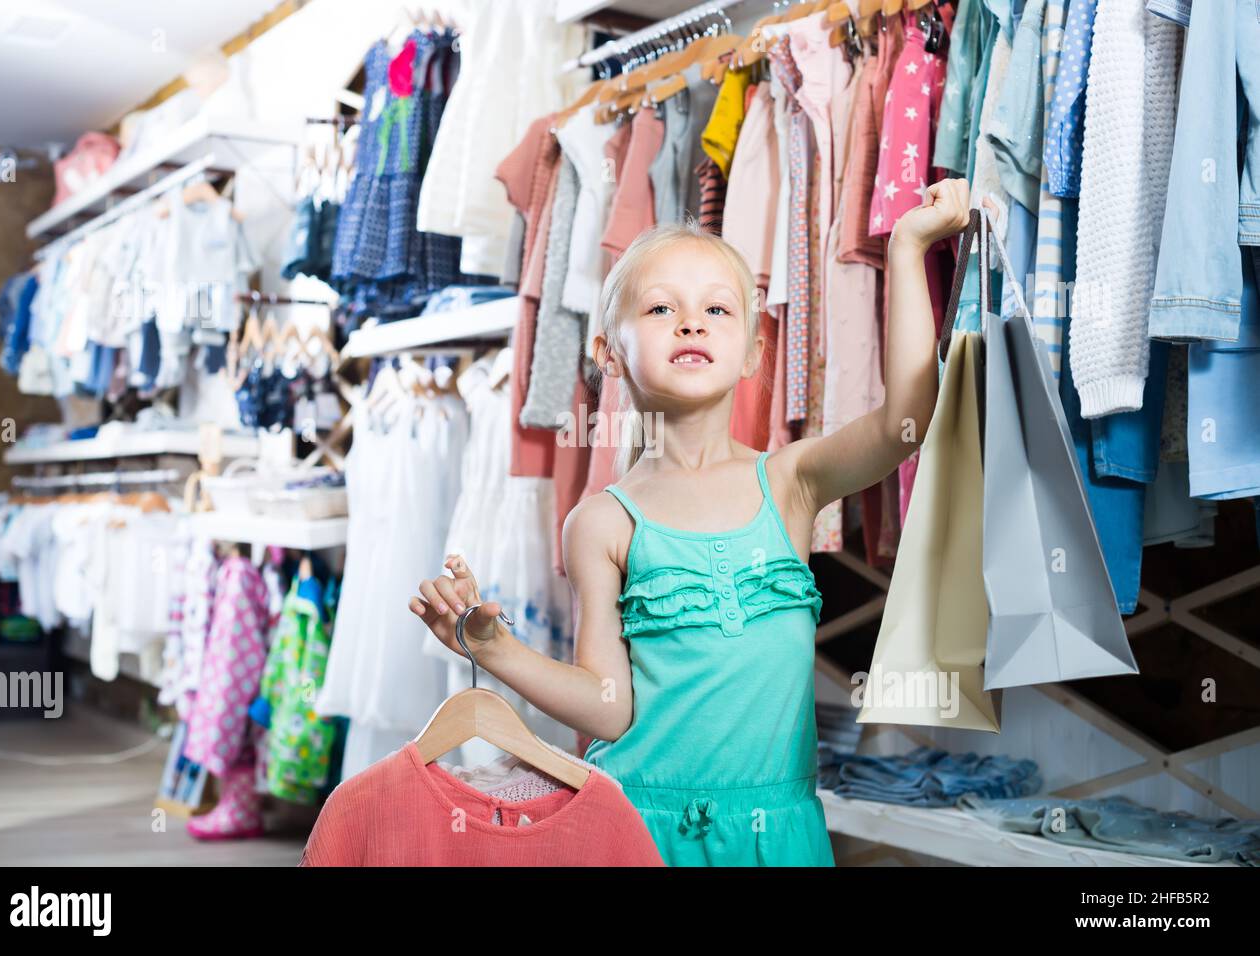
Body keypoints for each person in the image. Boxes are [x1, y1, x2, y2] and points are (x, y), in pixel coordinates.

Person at [410, 177, 973, 866]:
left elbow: (904, 425)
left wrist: (912, 245)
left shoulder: (790, 483)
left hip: (779, 834)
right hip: (640, 831)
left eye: (716, 308)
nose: (691, 323)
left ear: (753, 354)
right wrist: (493, 648)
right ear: (608, 355)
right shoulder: (602, 522)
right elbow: (611, 706)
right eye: (659, 309)